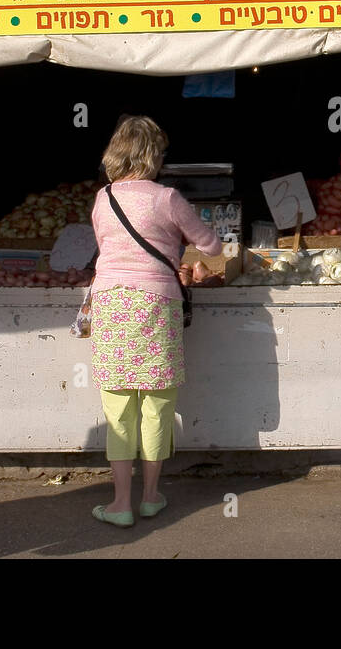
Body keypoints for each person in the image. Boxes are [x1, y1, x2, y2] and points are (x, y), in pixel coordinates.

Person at [87, 115, 222, 527]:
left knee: (119, 408)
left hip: (110, 304)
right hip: (154, 305)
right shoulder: (167, 198)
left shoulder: (102, 199)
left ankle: (120, 504)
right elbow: (212, 245)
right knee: (156, 403)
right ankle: (150, 497)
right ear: (152, 156)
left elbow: (110, 250)